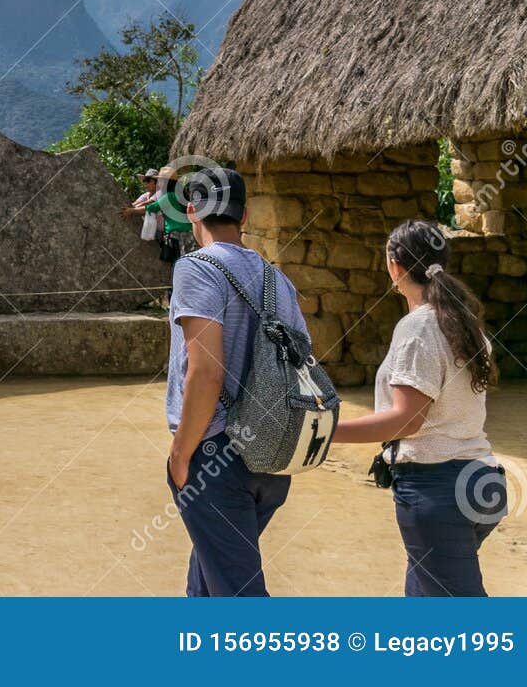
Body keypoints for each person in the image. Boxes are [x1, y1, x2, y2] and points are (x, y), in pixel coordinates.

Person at [332, 220, 506, 595]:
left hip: (437, 489)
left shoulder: (418, 328)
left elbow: (406, 420)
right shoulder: (463, 322)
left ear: (395, 267)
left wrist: (325, 432)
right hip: (482, 480)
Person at [165, 167, 310, 597]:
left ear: (192, 211)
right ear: (244, 215)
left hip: (216, 458)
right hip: (270, 460)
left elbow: (206, 371)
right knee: (208, 586)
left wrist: (181, 454)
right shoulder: (279, 282)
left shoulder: (197, 268)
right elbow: (302, 364)